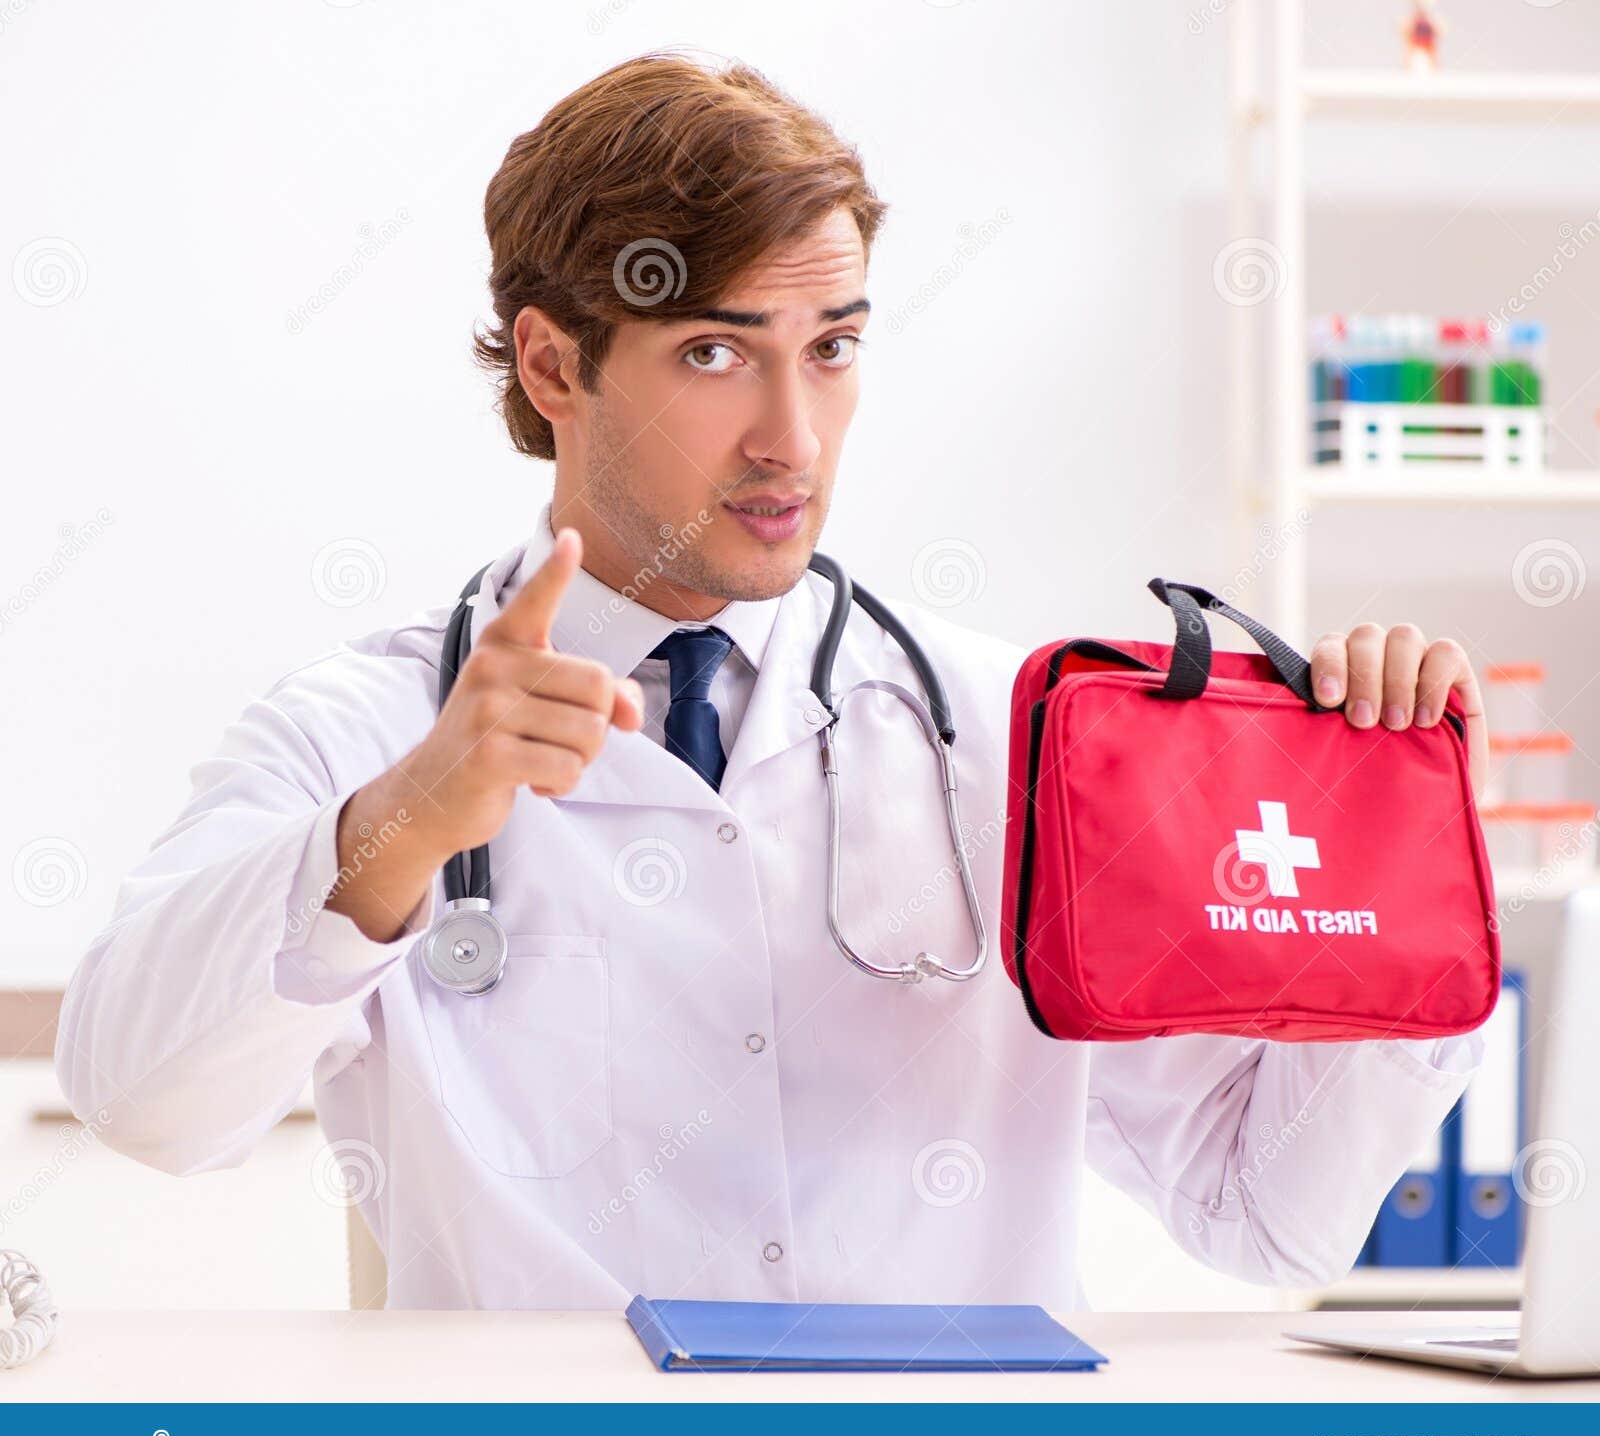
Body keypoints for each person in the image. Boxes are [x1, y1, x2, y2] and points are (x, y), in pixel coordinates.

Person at [56, 52, 1488, 1309]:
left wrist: (1401, 861)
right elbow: (139, 1100)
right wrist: (407, 822)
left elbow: (1266, 1215)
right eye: (714, 353)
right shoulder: (367, 731)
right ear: (552, 365)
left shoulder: (1018, 735)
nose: (792, 438)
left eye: (833, 348)